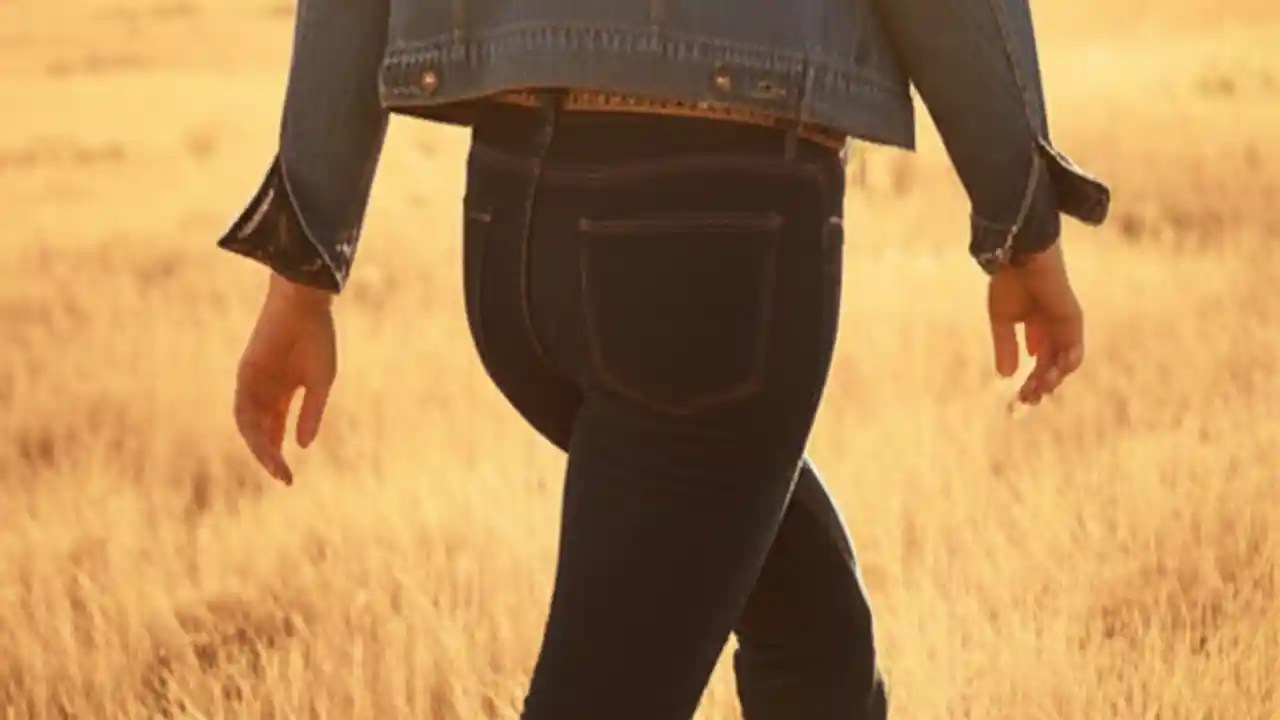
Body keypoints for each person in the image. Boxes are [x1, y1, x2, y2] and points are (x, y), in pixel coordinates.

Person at [220, 1, 1110, 717]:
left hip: (508, 242)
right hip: (707, 246)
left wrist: (304, 271)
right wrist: (1022, 226)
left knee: (813, 632)